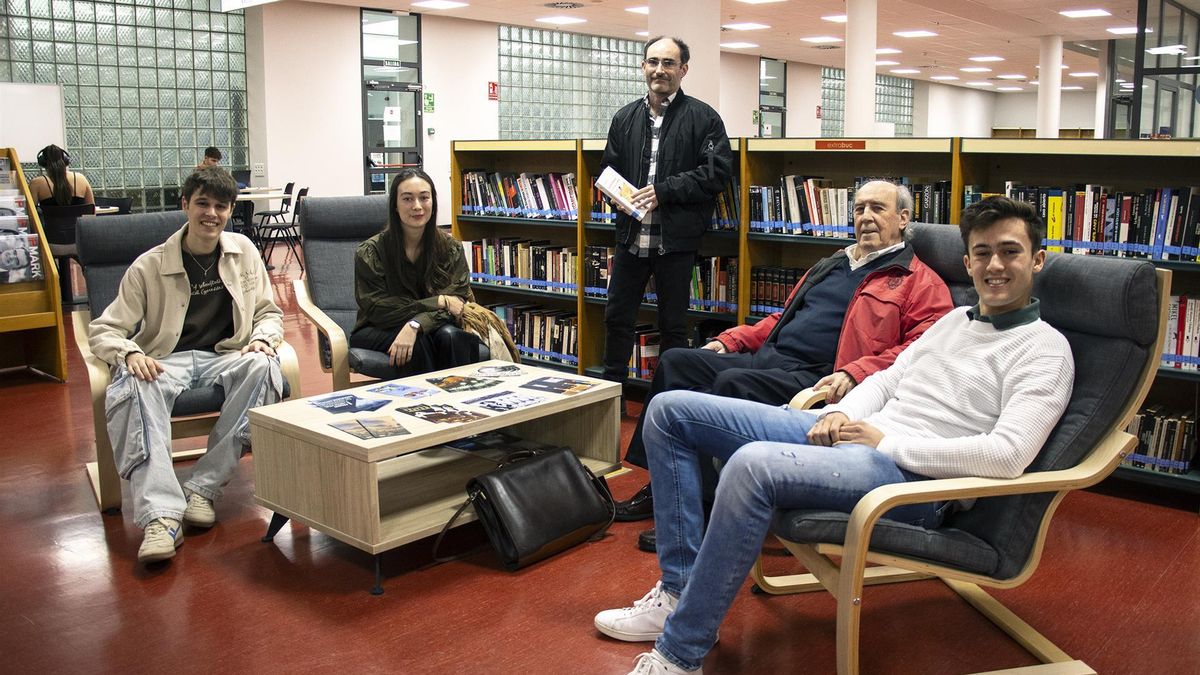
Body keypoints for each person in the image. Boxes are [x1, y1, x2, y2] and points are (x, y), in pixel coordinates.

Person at [593, 196, 1075, 675]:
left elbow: (1008, 455)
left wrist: (884, 442)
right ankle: (678, 591)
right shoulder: (954, 321)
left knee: (751, 464)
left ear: (1036, 260)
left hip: (912, 477)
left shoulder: (1045, 350)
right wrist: (840, 414)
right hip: (860, 437)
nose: (995, 265)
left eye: (1010, 252)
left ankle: (680, 653)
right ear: (967, 261)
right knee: (668, 411)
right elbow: (887, 380)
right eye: (983, 253)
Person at [616, 181, 954, 552]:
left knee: (733, 383)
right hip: (770, 358)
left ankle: (708, 510)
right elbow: (781, 318)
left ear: (904, 218)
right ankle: (665, 487)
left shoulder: (919, 281)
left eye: (878, 208)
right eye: (859, 209)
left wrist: (856, 371)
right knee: (676, 361)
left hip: (818, 378)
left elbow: (921, 349)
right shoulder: (832, 263)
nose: (866, 217)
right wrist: (731, 340)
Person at [88, 167, 284, 565]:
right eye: (202, 204)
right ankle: (161, 517)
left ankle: (203, 491)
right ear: (185, 206)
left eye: (220, 206)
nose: (211, 214)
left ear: (230, 211)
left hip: (225, 355)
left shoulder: (244, 251)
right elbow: (105, 329)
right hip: (165, 360)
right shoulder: (148, 266)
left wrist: (263, 338)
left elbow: (269, 311)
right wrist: (130, 354)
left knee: (265, 368)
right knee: (131, 383)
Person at [600, 36, 733, 389]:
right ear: (643, 66)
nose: (660, 70)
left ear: (683, 70)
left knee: (673, 325)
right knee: (616, 318)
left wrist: (663, 191)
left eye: (669, 63)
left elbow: (716, 173)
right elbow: (608, 168)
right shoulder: (624, 117)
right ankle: (611, 395)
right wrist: (615, 193)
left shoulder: (704, 118)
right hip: (631, 238)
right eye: (653, 61)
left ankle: (666, 395)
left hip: (674, 243)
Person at [351, 168, 483, 374]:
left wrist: (416, 324)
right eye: (407, 199)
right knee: (419, 345)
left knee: (453, 337)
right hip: (377, 328)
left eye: (424, 197)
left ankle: (460, 401)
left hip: (432, 326)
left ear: (433, 202)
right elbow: (378, 309)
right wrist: (437, 302)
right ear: (395, 205)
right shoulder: (371, 251)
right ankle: (429, 404)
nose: (417, 206)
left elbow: (456, 304)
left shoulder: (451, 248)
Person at [28, 144, 94, 208]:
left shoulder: (36, 184)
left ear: (42, 162)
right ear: (65, 160)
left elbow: (31, 215)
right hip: (78, 219)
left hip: (50, 219)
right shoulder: (81, 179)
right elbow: (92, 211)